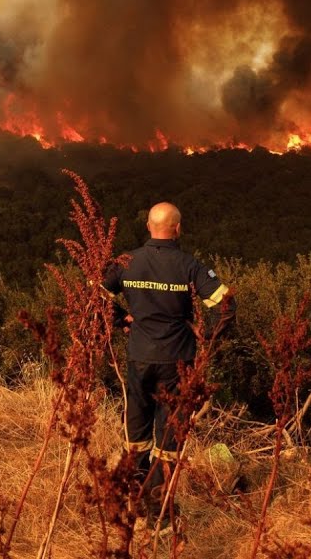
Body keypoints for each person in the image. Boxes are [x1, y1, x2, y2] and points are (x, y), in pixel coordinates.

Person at [102, 201, 236, 532]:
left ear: (149, 226)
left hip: (139, 360)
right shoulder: (190, 266)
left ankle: (133, 501)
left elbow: (93, 295)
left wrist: (121, 320)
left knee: (136, 434)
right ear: (178, 228)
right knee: (168, 438)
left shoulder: (127, 262)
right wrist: (206, 339)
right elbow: (226, 305)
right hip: (177, 363)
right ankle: (158, 512)